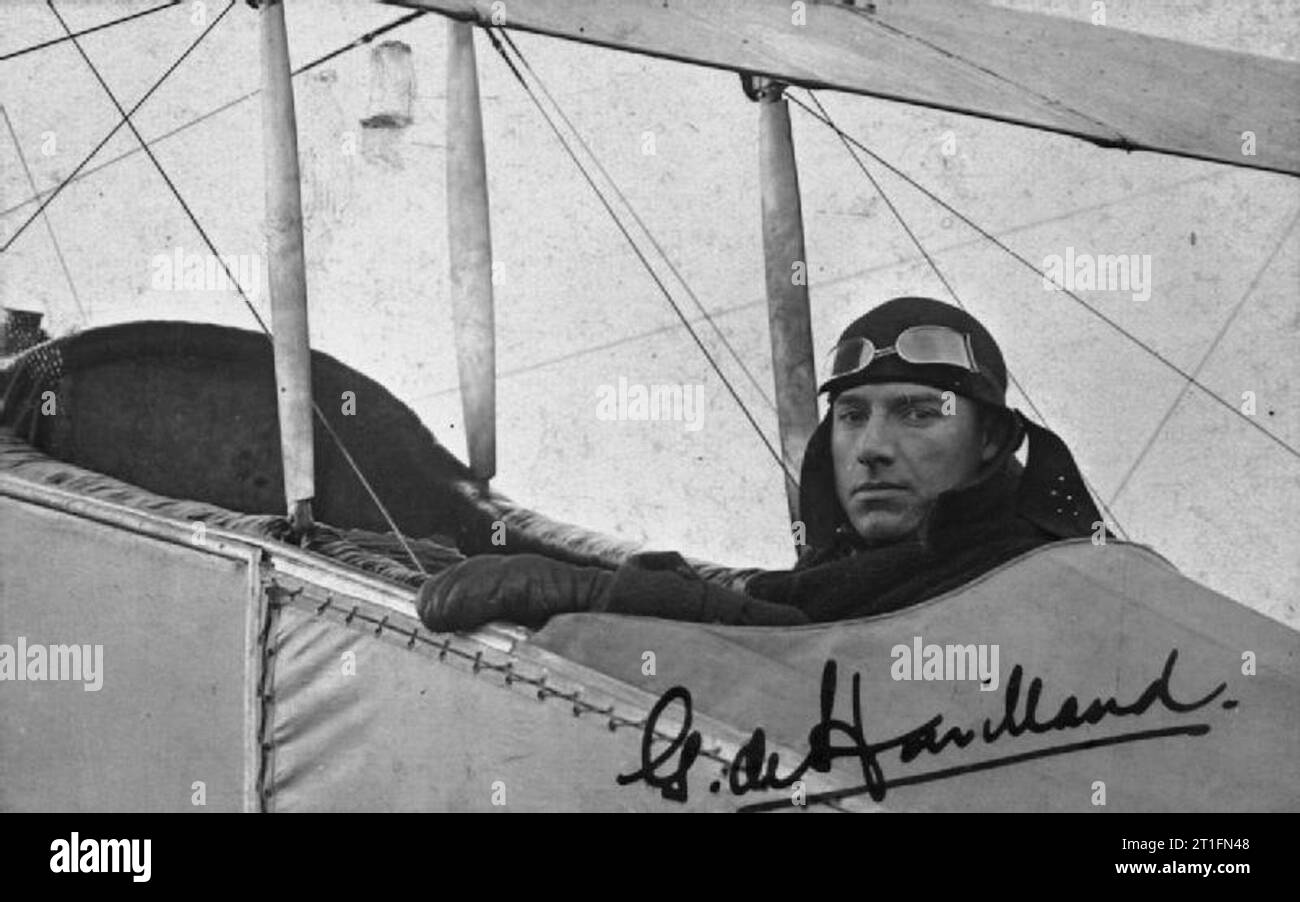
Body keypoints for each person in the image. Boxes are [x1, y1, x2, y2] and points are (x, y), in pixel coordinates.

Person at [416, 296, 1104, 632]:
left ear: (991, 440)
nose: (872, 447)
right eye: (852, 415)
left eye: (919, 413)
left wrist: (594, 596)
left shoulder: (1044, 585)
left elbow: (823, 659)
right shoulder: (840, 584)